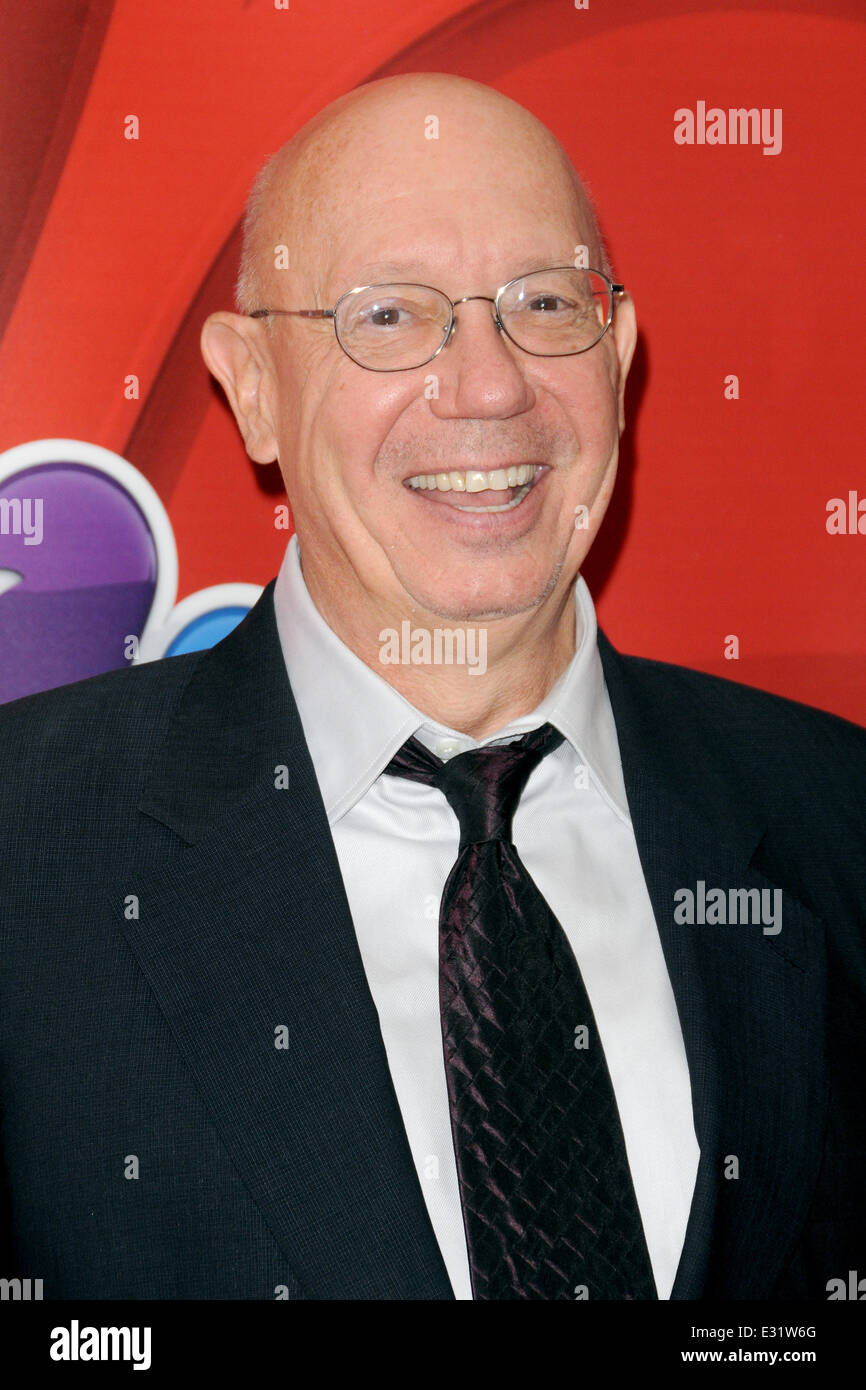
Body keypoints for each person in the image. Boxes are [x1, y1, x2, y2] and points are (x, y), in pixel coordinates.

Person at [1, 73, 864, 1303]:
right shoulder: (27, 857)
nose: (488, 387)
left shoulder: (835, 819)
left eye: (544, 304)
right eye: (390, 317)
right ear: (250, 386)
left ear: (617, 356)